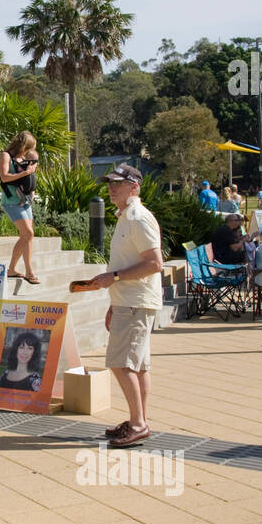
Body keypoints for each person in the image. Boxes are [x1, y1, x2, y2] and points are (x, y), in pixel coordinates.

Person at [88, 163, 163, 449]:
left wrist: (114, 278)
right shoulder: (126, 216)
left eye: (118, 183)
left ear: (135, 187)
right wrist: (113, 298)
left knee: (120, 363)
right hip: (129, 301)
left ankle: (138, 425)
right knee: (139, 366)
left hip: (135, 302)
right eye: (110, 183)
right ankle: (137, 420)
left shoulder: (138, 217)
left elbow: (154, 263)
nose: (111, 188)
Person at [0, 131, 40, 284]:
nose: (27, 152)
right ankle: (29, 272)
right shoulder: (6, 156)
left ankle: (12, 269)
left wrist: (32, 189)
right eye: (27, 148)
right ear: (23, 146)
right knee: (28, 233)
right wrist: (25, 173)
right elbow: (4, 177)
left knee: (27, 236)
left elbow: (29, 176)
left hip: (25, 201)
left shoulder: (22, 158)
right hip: (11, 201)